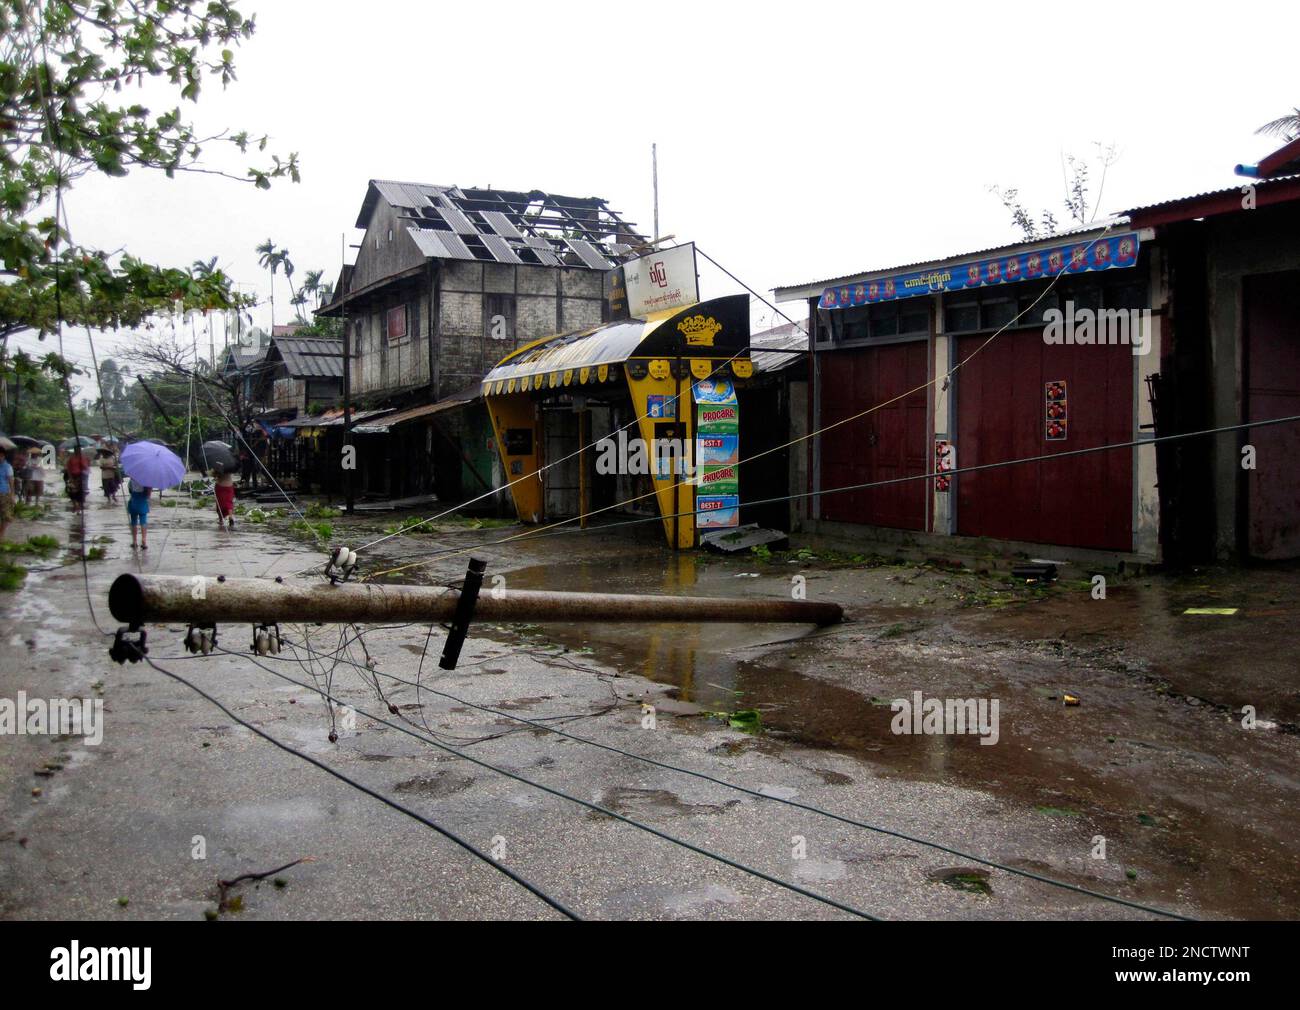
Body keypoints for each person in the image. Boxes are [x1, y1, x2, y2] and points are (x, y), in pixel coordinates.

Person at [127, 477, 151, 549]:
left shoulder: (131, 480)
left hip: (133, 501)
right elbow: (148, 494)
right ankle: (144, 540)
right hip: (142, 502)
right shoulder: (146, 481)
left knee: (133, 522)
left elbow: (130, 490)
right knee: (143, 522)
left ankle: (134, 541)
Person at [64, 448, 89, 514]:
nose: (77, 451)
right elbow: (68, 468)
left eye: (78, 450)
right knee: (71, 492)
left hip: (80, 476)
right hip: (73, 476)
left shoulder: (83, 458)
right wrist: (70, 477)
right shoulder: (71, 459)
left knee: (80, 492)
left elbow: (86, 467)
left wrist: (82, 464)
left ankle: (79, 507)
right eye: (76, 450)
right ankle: (75, 505)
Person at [0, 447, 14, 541]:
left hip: (4, 493)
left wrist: (12, 495)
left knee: (6, 516)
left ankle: (1, 534)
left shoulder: (7, 467)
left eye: (0, 456)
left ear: (3, 456)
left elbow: (11, 481)